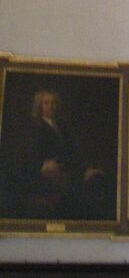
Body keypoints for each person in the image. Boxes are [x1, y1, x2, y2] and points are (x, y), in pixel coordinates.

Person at [10, 89, 107, 219]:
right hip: (44, 176)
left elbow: (71, 153)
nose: (50, 106)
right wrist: (41, 167)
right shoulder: (33, 127)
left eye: (53, 103)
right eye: (46, 103)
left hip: (67, 171)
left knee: (95, 183)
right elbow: (26, 155)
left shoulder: (61, 127)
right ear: (39, 106)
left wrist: (85, 169)